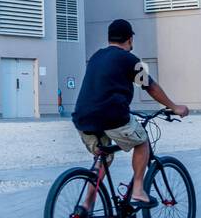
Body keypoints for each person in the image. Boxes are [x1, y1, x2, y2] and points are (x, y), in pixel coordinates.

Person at [72, 18, 189, 208]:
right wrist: (174, 107)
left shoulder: (96, 57)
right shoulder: (130, 60)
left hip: (83, 119)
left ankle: (86, 206)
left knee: (104, 157)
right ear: (130, 39)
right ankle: (138, 189)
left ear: (109, 38)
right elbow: (150, 87)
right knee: (142, 143)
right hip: (111, 116)